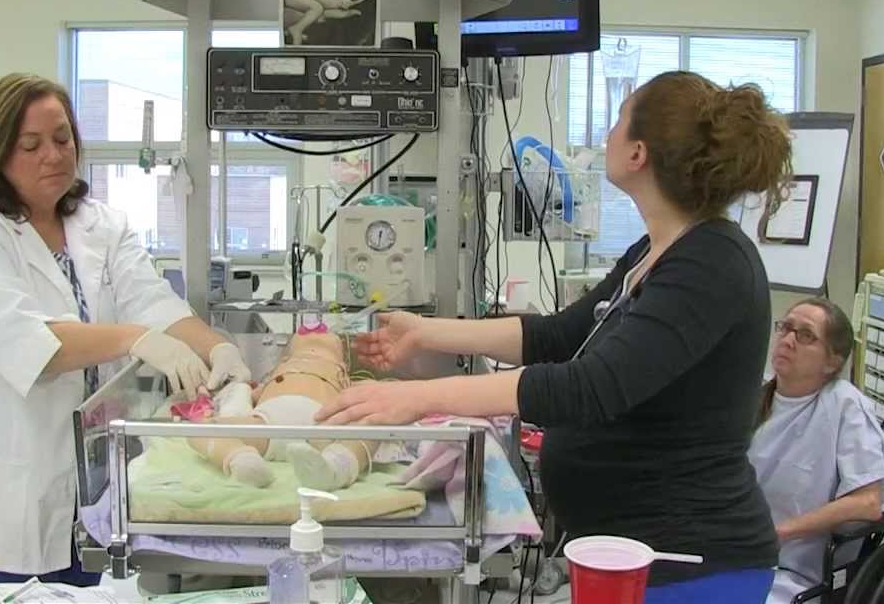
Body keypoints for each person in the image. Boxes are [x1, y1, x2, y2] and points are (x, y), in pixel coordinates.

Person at [319, 71, 793, 602]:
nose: (607, 134)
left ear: (638, 153)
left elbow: (589, 386)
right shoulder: (654, 252)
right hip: (624, 554)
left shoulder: (712, 261)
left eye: (618, 121)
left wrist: (415, 398)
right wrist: (428, 331)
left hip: (689, 564)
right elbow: (560, 335)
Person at [0, 74, 253, 585]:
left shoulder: (100, 224)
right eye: (32, 145)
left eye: (63, 139)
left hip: (87, 493)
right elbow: (31, 343)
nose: (53, 155)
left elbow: (153, 302)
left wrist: (221, 351)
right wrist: (132, 338)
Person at [749, 298, 884, 604]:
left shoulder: (843, 405)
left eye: (805, 335)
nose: (788, 340)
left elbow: (867, 503)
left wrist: (781, 532)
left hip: (796, 571)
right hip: (738, 554)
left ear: (832, 362)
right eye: (786, 328)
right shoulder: (754, 397)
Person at [189, 331, 379, 492]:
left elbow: (372, 401)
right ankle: (242, 460)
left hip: (324, 425)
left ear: (345, 367)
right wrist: (234, 390)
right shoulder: (275, 377)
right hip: (267, 426)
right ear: (284, 360)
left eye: (324, 350)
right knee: (199, 429)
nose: (315, 334)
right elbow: (247, 397)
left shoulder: (343, 380)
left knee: (373, 427)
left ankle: (335, 469)